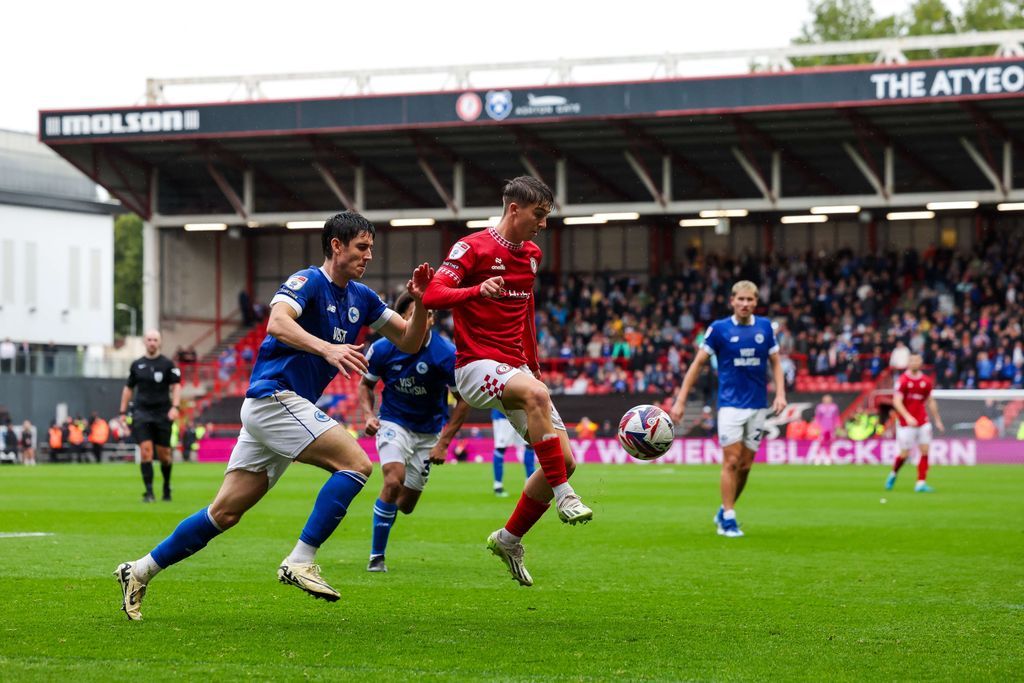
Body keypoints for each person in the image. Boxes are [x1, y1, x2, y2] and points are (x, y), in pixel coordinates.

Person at [114, 211, 432, 620]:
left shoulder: (362, 298)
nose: (369, 255)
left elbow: (408, 340)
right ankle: (300, 559)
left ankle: (139, 571)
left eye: (371, 248)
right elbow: (277, 323)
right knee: (356, 464)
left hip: (284, 409)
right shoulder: (308, 281)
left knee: (224, 513)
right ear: (336, 245)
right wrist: (327, 348)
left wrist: (423, 302)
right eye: (361, 247)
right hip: (274, 398)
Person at [422, 176, 592, 587]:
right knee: (553, 449)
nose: (543, 225)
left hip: (516, 369)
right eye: (539, 215)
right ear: (514, 209)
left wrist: (532, 364)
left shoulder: (531, 255)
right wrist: (477, 290)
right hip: (474, 366)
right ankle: (565, 497)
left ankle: (509, 538)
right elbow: (431, 295)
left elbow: (527, 313)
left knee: (565, 460)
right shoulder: (471, 247)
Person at [358, 293, 471, 572]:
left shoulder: (446, 355)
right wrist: (369, 415)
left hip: (428, 433)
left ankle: (384, 513)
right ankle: (376, 557)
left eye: (426, 314)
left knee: (406, 505)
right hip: (394, 423)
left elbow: (464, 399)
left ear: (431, 319)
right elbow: (365, 385)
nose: (420, 319)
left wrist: (444, 443)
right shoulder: (383, 349)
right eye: (411, 315)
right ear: (402, 319)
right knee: (392, 481)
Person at [669, 280, 787, 538]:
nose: (745, 304)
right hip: (730, 406)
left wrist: (780, 393)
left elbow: (776, 362)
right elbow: (697, 364)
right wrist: (680, 400)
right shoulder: (719, 329)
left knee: (745, 466)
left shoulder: (765, 327)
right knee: (731, 461)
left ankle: (725, 509)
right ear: (732, 301)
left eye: (750, 300)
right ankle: (729, 518)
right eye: (740, 299)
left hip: (758, 405)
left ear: (756, 302)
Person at [119, 330, 182, 501]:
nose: (152, 342)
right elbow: (128, 388)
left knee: (164, 455)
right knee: (146, 451)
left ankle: (166, 487)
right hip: (142, 413)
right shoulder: (136, 365)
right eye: (149, 340)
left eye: (155, 340)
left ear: (159, 342)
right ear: (144, 342)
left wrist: (175, 407)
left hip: (163, 413)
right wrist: (122, 412)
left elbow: (176, 386)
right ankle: (149, 492)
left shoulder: (168, 364)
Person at [885, 353, 945, 493]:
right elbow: (897, 401)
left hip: (922, 421)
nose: (914, 362)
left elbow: (930, 400)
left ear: (921, 362)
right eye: (912, 360)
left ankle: (920, 483)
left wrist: (937, 419)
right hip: (906, 423)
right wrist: (907, 416)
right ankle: (893, 473)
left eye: (917, 360)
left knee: (925, 450)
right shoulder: (903, 380)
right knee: (904, 454)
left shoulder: (925, 381)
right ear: (908, 363)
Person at [490, 409, 536, 497]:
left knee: (529, 444)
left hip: (521, 414)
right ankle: (498, 486)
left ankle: (531, 484)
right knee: (500, 448)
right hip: (503, 416)